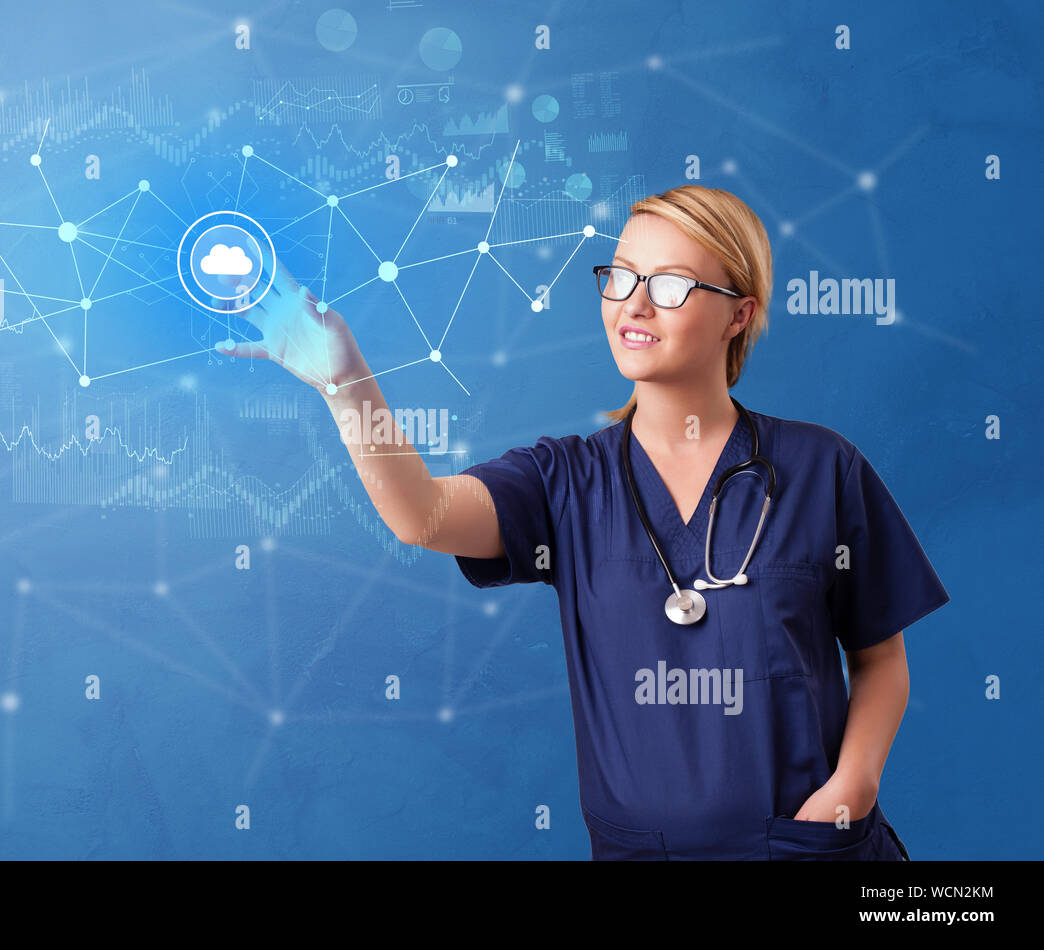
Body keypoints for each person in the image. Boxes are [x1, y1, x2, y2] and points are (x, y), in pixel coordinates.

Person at [215, 184, 950, 860]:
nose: (633, 305)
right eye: (621, 277)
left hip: (810, 848)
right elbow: (424, 515)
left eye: (669, 285)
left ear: (739, 313)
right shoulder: (563, 481)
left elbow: (882, 660)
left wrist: (851, 790)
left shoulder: (823, 469)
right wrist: (346, 383)